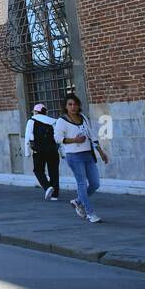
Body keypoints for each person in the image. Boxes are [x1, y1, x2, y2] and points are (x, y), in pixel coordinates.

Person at [55, 92, 108, 223]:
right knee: (82, 183)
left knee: (95, 183)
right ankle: (90, 213)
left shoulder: (83, 117)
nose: (73, 107)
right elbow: (57, 138)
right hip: (74, 156)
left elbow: (92, 135)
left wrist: (101, 152)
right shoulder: (61, 121)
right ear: (65, 106)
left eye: (75, 104)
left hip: (88, 155)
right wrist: (74, 140)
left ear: (79, 105)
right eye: (70, 104)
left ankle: (77, 201)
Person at [24, 102, 60, 201]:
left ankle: (47, 187)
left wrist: (27, 153)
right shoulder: (53, 122)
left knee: (38, 170)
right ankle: (55, 195)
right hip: (53, 150)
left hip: (39, 151)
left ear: (36, 112)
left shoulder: (31, 121)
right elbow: (58, 138)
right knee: (54, 172)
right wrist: (63, 153)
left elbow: (28, 137)